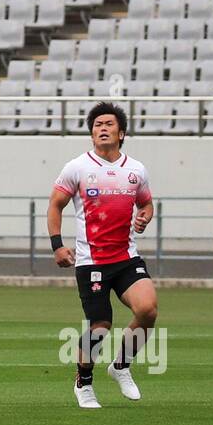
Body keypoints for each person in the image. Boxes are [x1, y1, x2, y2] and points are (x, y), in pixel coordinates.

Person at [47, 101, 157, 409]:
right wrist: (57, 244)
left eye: (108, 124)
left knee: (148, 310)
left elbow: (147, 204)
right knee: (100, 325)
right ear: (92, 134)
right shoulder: (78, 167)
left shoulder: (136, 170)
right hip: (91, 261)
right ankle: (84, 382)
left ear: (121, 133)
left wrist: (144, 217)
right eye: (97, 125)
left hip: (126, 258)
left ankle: (121, 365)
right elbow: (55, 205)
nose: (102, 128)